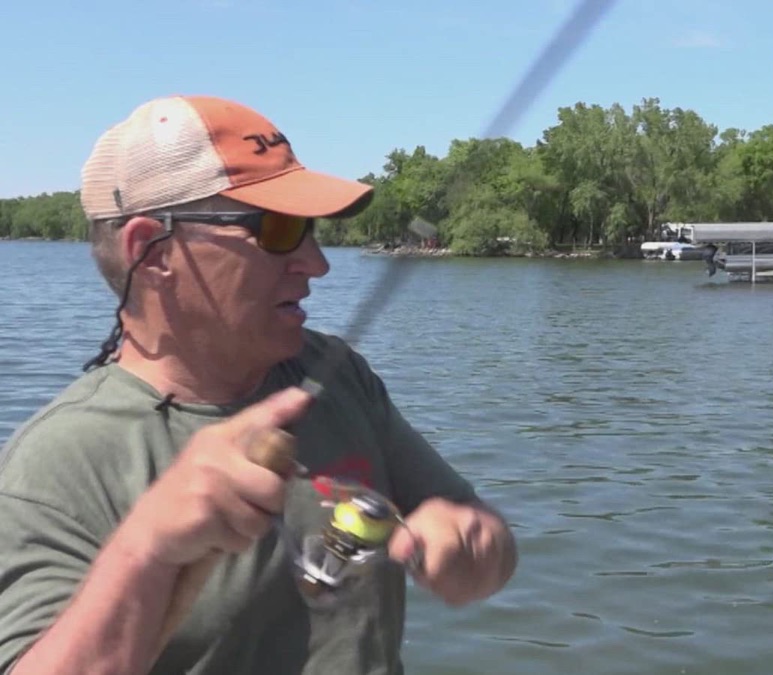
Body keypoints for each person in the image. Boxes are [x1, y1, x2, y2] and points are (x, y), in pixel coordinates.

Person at [0, 95, 517, 675]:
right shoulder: (54, 464)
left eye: (310, 228)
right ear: (150, 250)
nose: (316, 262)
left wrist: (475, 548)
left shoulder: (338, 374)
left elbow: (479, 533)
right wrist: (147, 548)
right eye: (277, 229)